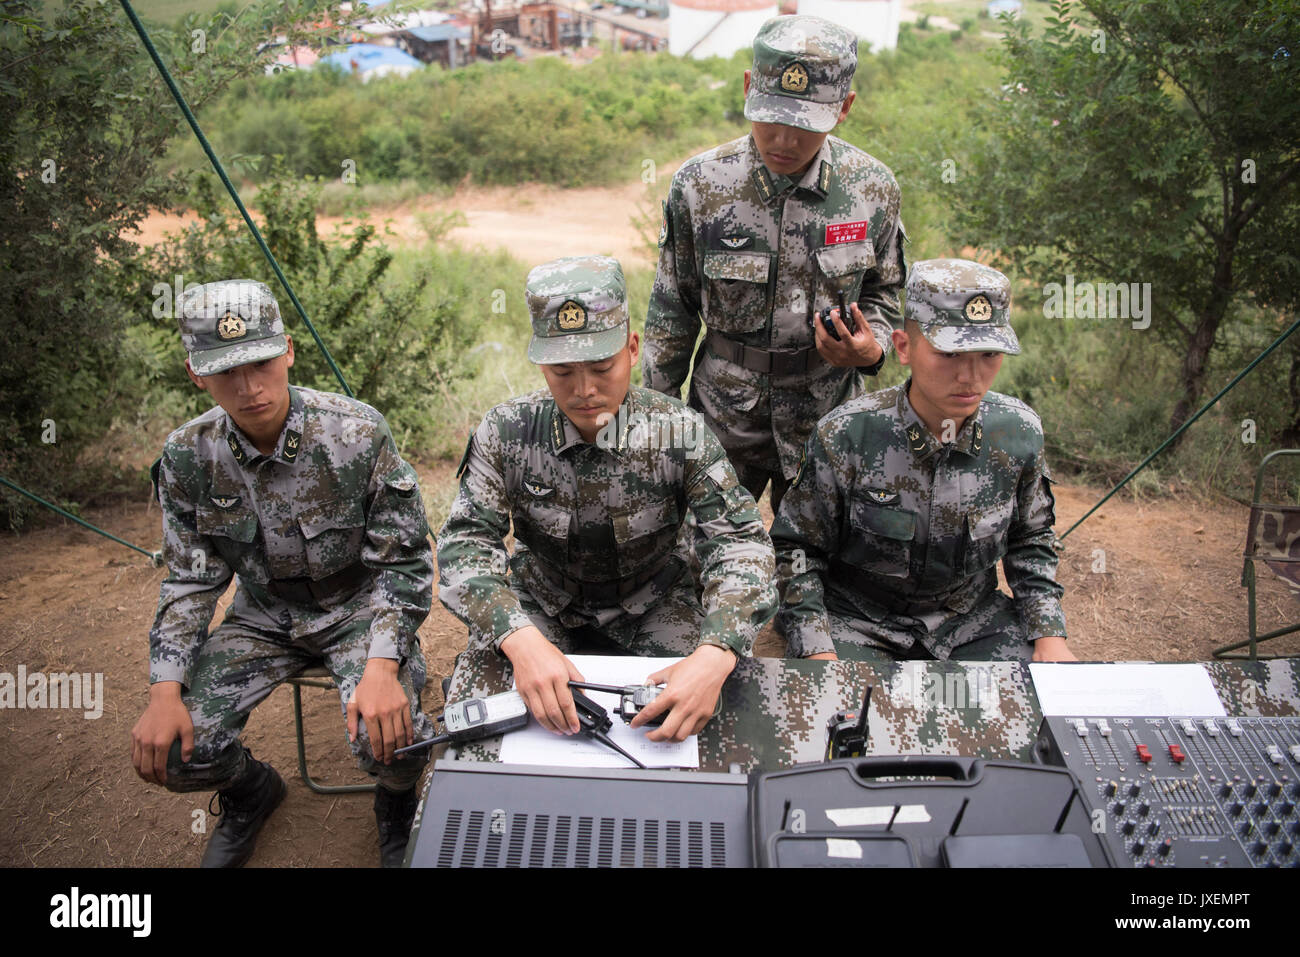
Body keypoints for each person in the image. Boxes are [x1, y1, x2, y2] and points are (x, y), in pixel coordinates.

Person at [130, 279, 436, 867]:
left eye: (262, 363)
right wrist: (164, 688)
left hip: (358, 610)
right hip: (264, 616)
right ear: (197, 374)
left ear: (288, 350)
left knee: (391, 740)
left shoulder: (357, 433)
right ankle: (251, 792)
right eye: (226, 374)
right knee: (174, 753)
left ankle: (395, 805)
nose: (249, 389)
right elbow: (192, 580)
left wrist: (382, 663)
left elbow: (405, 561)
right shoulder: (188, 457)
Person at [437, 255, 777, 743]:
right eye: (561, 372)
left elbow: (740, 542)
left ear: (632, 348)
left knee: (695, 720)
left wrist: (718, 649)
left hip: (655, 602)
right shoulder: (505, 432)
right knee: (498, 722)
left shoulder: (677, 432)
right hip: (543, 602)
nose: (585, 391)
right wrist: (517, 636)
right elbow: (464, 545)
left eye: (601, 367)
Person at [643, 14, 906, 517]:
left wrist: (870, 349)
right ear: (747, 88)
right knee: (703, 558)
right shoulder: (700, 186)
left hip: (826, 415)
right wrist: (657, 421)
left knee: (812, 573)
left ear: (844, 108)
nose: (783, 140)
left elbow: (885, 288)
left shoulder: (872, 189)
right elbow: (672, 309)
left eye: (804, 124)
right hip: (722, 415)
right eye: (771, 116)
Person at [771, 259, 1077, 663]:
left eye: (988, 354)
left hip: (972, 622)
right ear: (903, 347)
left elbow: (1031, 540)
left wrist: (1049, 635)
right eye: (949, 354)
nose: (970, 376)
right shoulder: (849, 435)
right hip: (859, 623)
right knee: (846, 716)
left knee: (1028, 706)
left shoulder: (1017, 433)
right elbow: (798, 553)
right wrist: (816, 647)